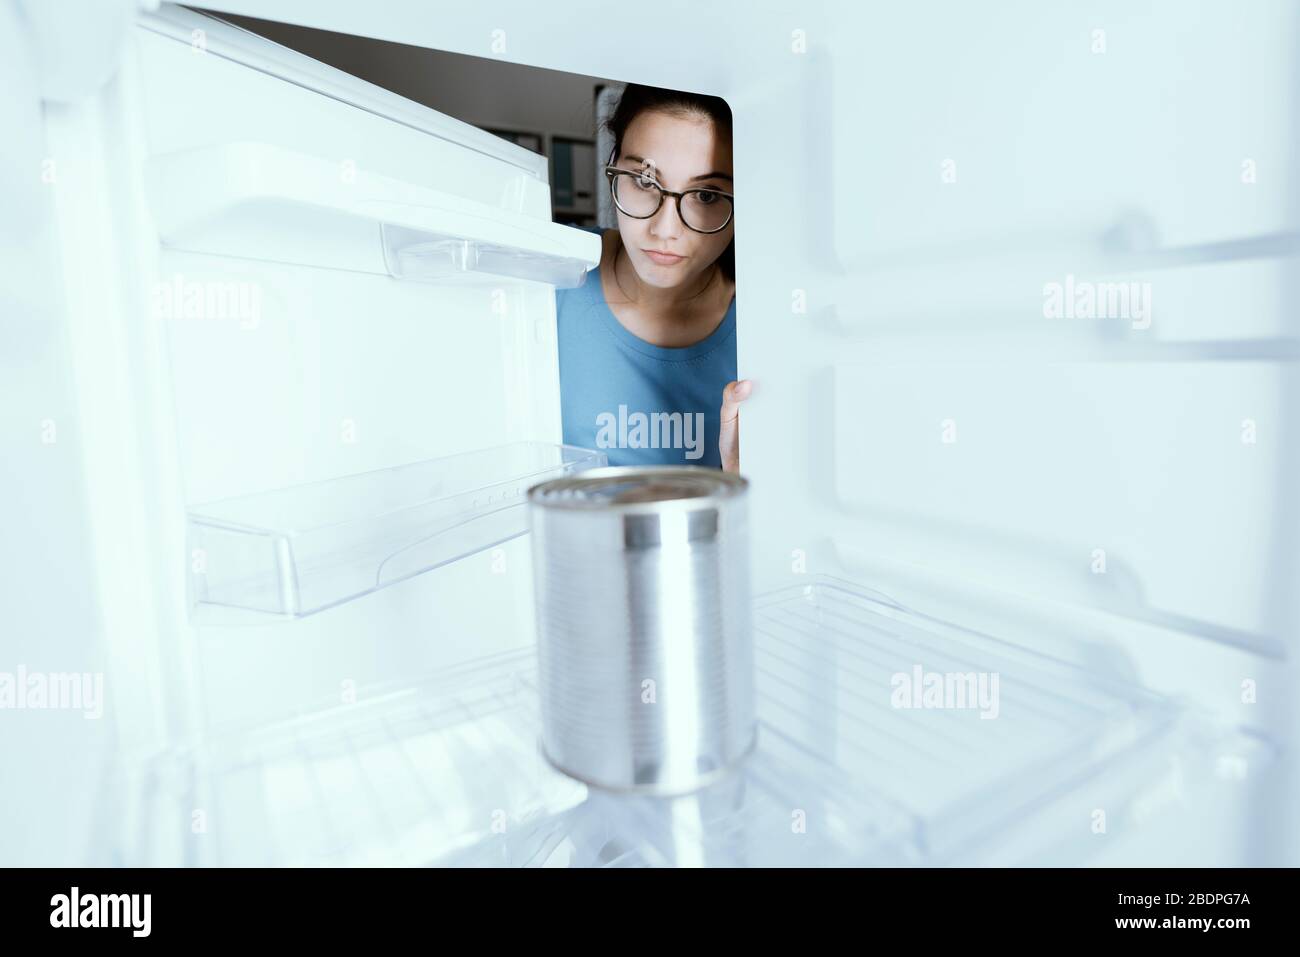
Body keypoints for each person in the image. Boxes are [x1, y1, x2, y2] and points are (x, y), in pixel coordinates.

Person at [556, 83, 750, 472]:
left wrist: (741, 474)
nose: (665, 229)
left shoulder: (768, 320)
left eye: (707, 195)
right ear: (614, 164)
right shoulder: (553, 272)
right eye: (645, 181)